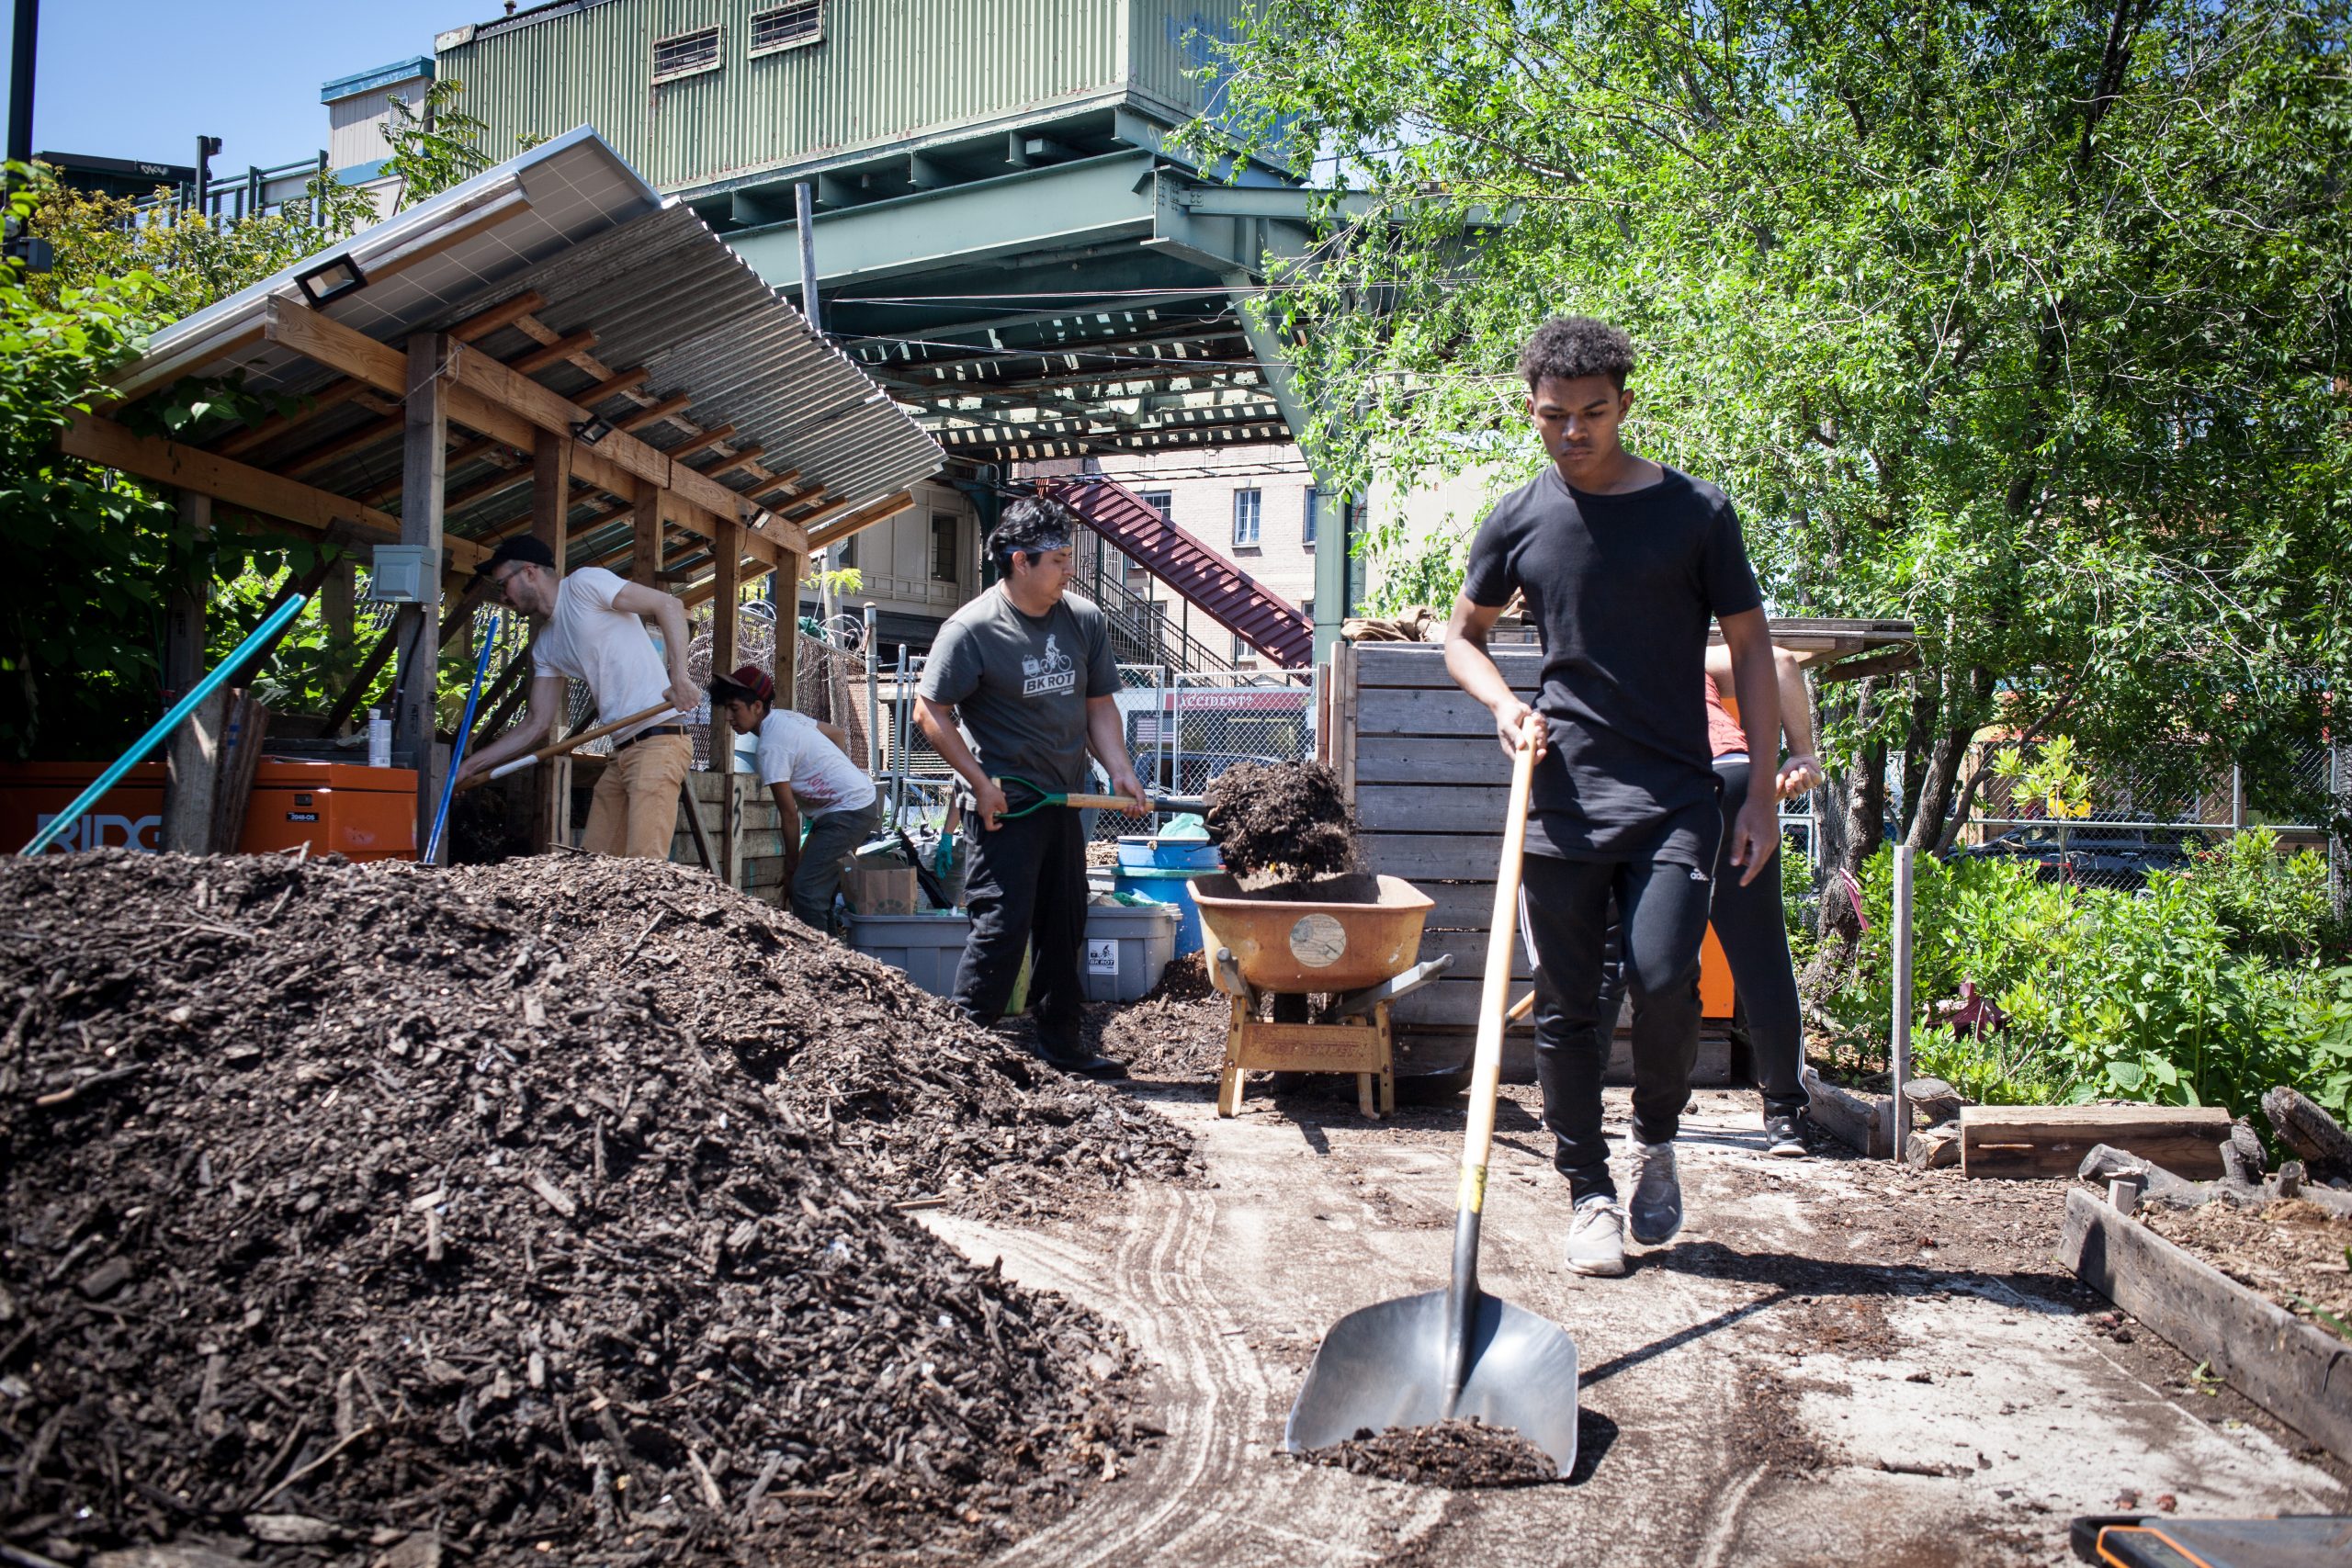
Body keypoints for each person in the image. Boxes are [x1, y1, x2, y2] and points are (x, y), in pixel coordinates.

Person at [1445, 316, 1782, 1279]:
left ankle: (1657, 1136)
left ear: (1625, 405)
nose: (1575, 432)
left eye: (1594, 413)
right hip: (1559, 796)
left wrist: (1758, 790)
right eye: (1556, 416)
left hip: (1676, 792)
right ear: (1532, 412)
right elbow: (1459, 637)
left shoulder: (1695, 514)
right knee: (1564, 1006)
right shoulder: (1518, 518)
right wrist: (1507, 706)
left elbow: (1753, 651)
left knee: (1662, 970)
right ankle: (1587, 1192)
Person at [913, 497, 1149, 1078]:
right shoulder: (971, 628)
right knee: (1001, 926)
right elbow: (930, 712)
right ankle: (962, 1053)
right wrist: (979, 784)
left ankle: (1060, 1043)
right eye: (1060, 559)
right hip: (1003, 806)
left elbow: (1098, 706)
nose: (1069, 569)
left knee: (1065, 923)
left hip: (1065, 800)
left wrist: (1119, 768)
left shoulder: (1083, 619)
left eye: (1070, 557)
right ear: (1021, 561)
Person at [1591, 645, 1825, 1160]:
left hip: (1657, 790)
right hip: (1732, 779)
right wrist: (1802, 752)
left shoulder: (1598, 652)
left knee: (1615, 952)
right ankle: (1786, 1116)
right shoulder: (1691, 653)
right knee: (1759, 951)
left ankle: (1587, 1103)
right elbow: (1782, 662)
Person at [455, 536, 698, 859]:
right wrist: (470, 766)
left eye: (503, 584)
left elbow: (668, 605)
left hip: (659, 741)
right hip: (621, 752)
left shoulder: (584, 584)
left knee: (646, 870)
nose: (503, 596)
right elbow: (536, 724)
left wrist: (679, 675)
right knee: (593, 866)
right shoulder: (545, 645)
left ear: (529, 573)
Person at [707, 663, 881, 932]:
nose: (728, 717)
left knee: (804, 890)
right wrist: (836, 776)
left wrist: (790, 868)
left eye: (734, 708)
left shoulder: (770, 746)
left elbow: (788, 815)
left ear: (756, 707)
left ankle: (822, 962)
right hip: (853, 803)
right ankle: (834, 953)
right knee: (815, 892)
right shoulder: (786, 718)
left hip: (848, 810)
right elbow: (837, 733)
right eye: (726, 709)